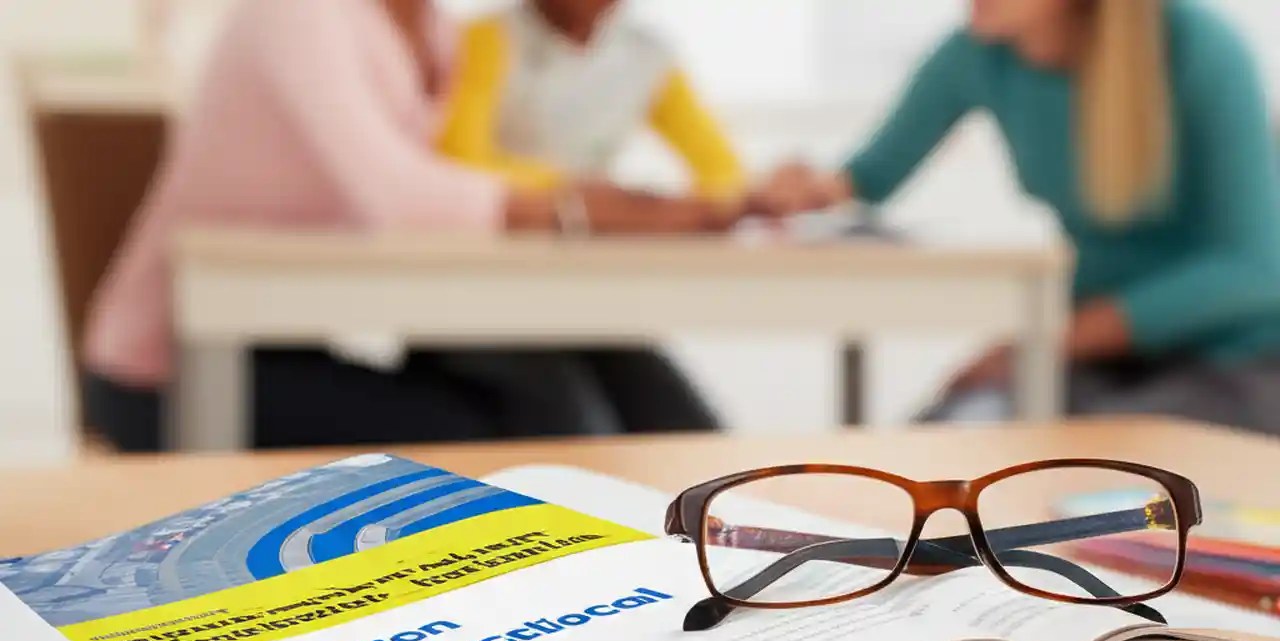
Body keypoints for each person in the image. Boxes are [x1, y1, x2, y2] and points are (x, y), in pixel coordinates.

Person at [83, 0, 755, 452]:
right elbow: (400, 197)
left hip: (302, 339)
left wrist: (670, 205)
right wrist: (596, 206)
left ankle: (739, 552)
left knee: (639, 384)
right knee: (542, 426)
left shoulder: (438, 31)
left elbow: (467, 177)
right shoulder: (299, 14)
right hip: (181, 371)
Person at [765, 0, 1280, 434]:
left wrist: (1045, 343)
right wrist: (794, 191)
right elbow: (867, 177)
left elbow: (1254, 270)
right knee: (946, 436)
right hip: (1091, 355)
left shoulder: (1198, 47)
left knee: (1095, 460)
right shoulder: (981, 51)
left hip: (1233, 358)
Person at [437, 0, 745, 199]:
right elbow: (461, 163)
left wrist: (670, 211)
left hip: (595, 242)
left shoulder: (645, 55)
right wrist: (576, 193)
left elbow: (723, 170)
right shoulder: (484, 39)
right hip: (502, 235)